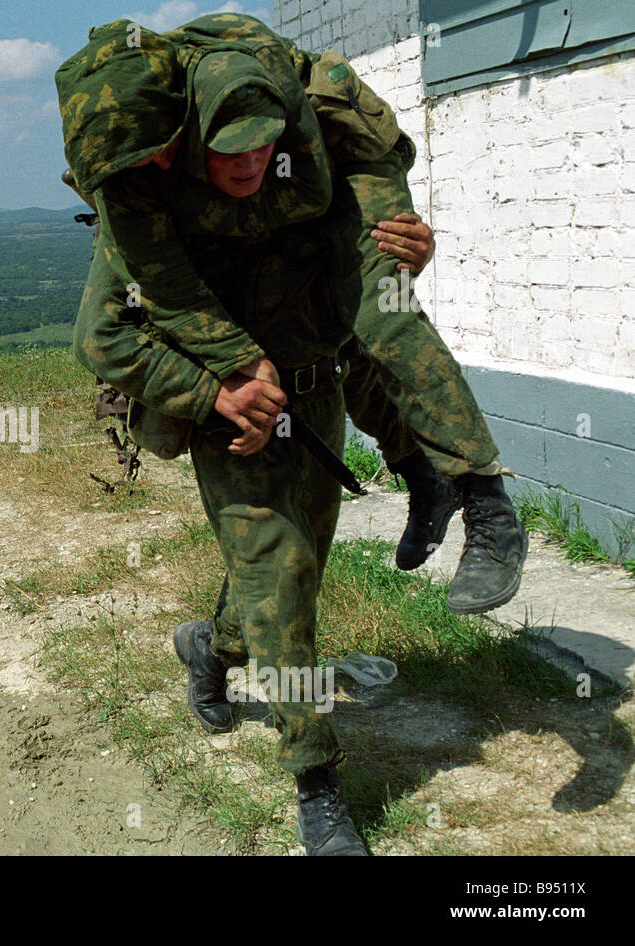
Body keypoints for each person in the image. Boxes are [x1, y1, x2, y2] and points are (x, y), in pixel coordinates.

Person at [55, 20, 400, 855]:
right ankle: (316, 781)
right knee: (279, 574)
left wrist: (401, 243)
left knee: (296, 569)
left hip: (311, 402)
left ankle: (210, 646)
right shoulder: (139, 203)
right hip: (226, 420)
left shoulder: (268, 147)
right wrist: (215, 391)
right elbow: (103, 340)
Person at [60, 13, 526, 615]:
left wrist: (385, 258)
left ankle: (484, 504)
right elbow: (148, 297)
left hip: (349, 165)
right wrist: (236, 368)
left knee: (382, 315)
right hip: (273, 323)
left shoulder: (276, 109)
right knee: (335, 333)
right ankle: (420, 475)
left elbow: (314, 189)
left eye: (158, 155)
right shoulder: (135, 165)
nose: (151, 171)